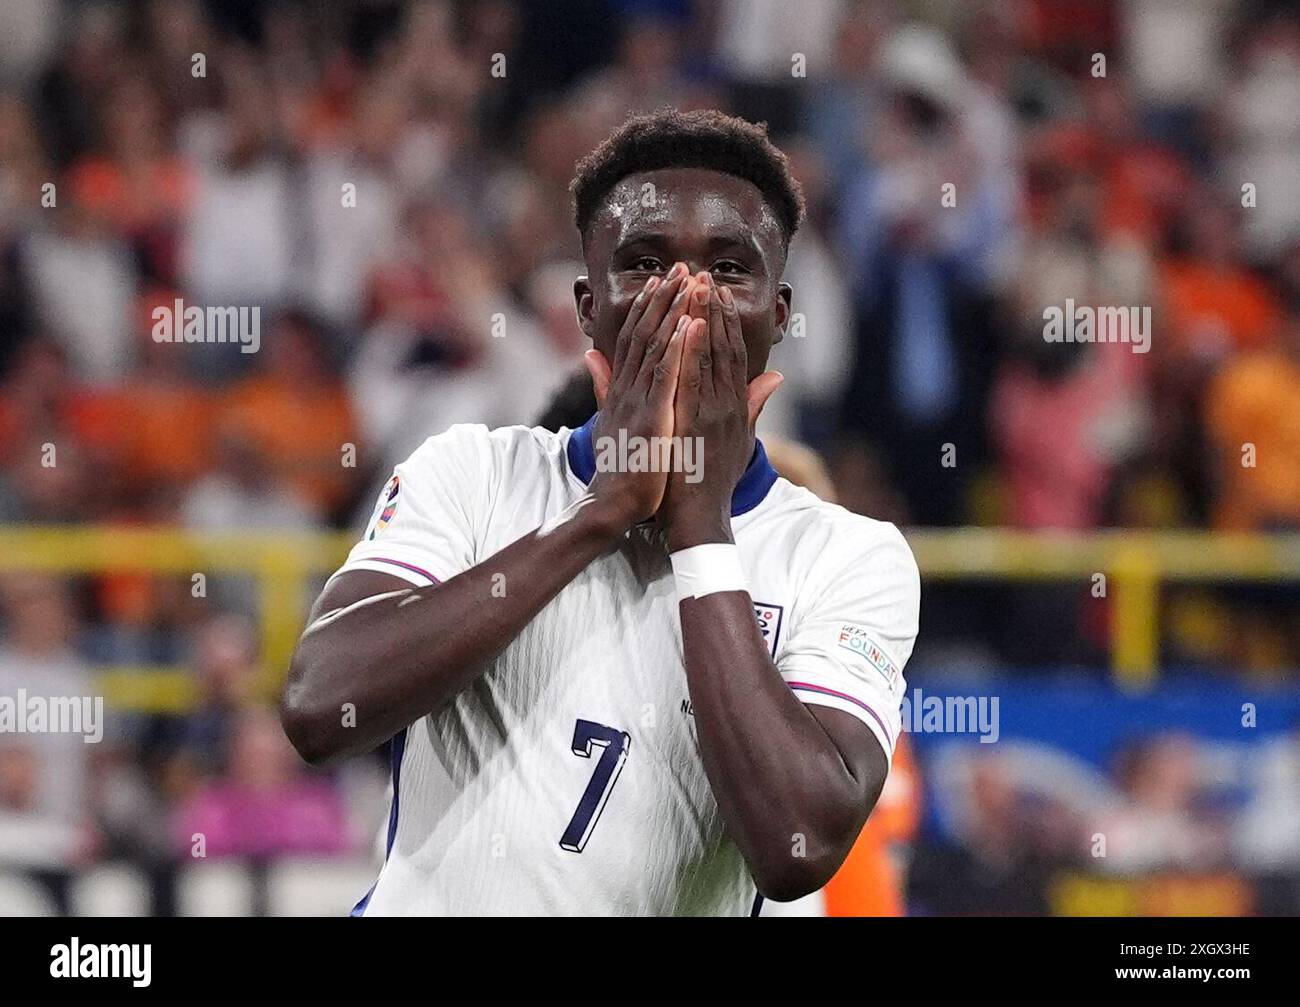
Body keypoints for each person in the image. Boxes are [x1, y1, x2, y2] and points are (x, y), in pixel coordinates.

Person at [281, 109, 920, 916]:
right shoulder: (473, 471)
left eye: (728, 269)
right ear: (589, 306)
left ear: (782, 313)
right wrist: (597, 514)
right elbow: (318, 708)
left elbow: (797, 843)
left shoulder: (849, 555)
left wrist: (702, 532)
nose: (688, 298)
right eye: (645, 264)